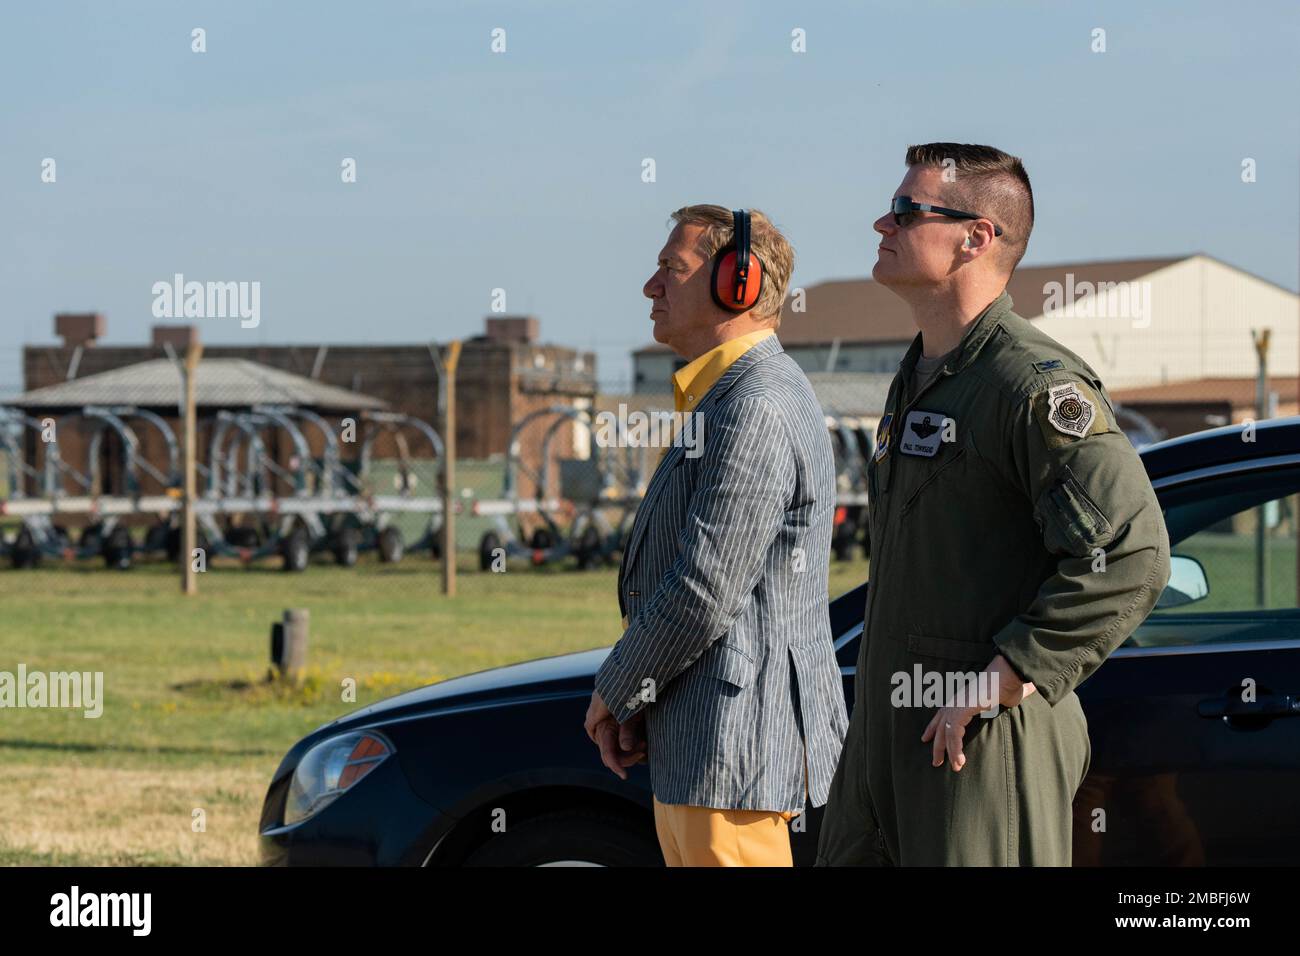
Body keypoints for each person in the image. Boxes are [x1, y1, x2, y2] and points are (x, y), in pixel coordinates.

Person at [816, 144, 1170, 866]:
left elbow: (1131, 554)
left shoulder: (1031, 387)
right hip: (890, 738)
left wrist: (1008, 673)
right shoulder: (922, 375)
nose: (883, 222)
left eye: (908, 211)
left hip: (979, 744)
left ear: (977, 237)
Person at [584, 205, 848, 866]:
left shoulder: (752, 406)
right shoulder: (732, 397)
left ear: (739, 284)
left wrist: (618, 687)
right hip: (712, 750)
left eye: (671, 269)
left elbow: (704, 588)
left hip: (734, 756)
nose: (651, 287)